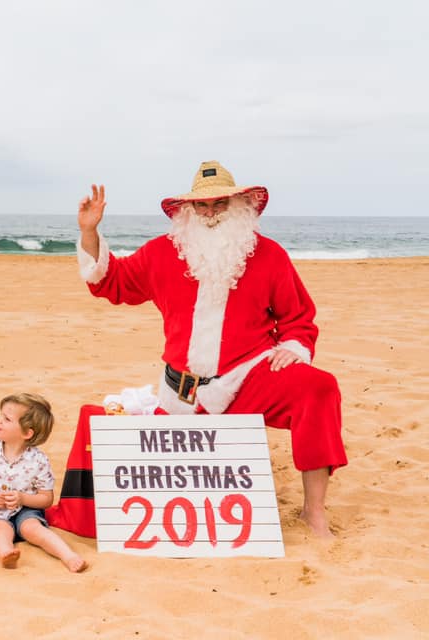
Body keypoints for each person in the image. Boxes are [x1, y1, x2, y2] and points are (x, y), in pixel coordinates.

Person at [76, 161, 348, 539]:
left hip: (247, 380)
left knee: (318, 388)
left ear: (239, 207)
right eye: (200, 206)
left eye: (219, 204)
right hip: (182, 391)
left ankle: (313, 511)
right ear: (186, 211)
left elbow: (298, 316)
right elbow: (112, 282)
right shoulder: (161, 253)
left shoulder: (269, 256)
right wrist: (90, 232)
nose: (209, 213)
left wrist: (293, 347)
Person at [0, 393, 88, 571]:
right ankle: (6, 554)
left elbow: (46, 498)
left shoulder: (38, 460)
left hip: (26, 510)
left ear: (27, 433)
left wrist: (22, 499)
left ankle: (68, 556)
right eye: (1, 415)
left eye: (7, 419)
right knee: (1, 532)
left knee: (34, 529)